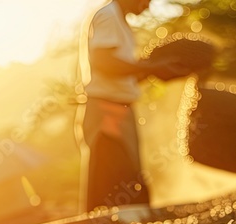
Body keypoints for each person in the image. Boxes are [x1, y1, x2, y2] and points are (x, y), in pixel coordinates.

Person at [76, 0, 187, 212]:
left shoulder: (119, 20)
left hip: (118, 109)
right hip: (107, 110)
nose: (148, 7)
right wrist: (153, 66)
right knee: (114, 178)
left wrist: (154, 71)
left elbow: (120, 75)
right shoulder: (108, 15)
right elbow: (104, 62)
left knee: (124, 177)